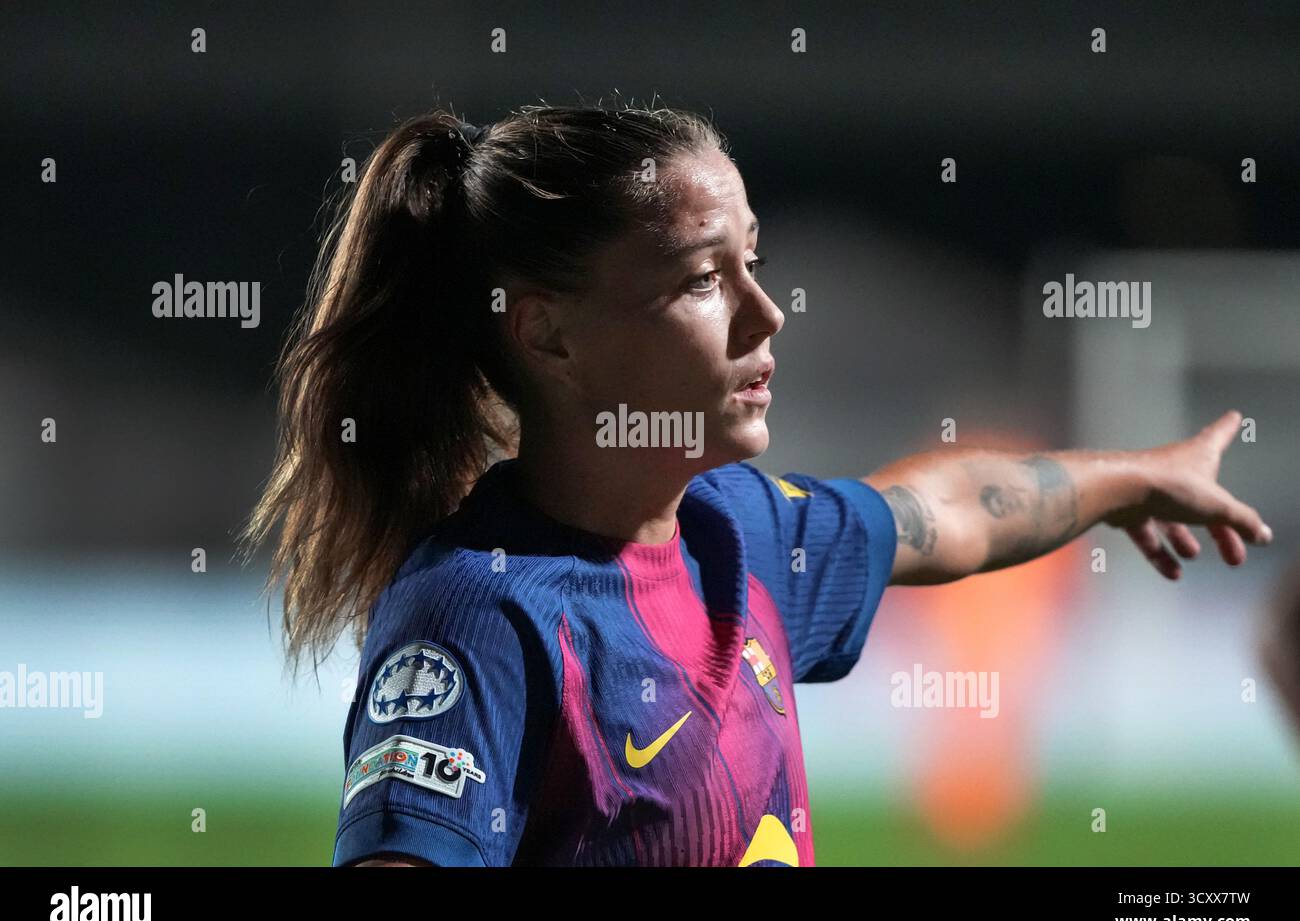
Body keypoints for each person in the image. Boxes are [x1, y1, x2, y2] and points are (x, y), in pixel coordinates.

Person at [240, 104, 1272, 866]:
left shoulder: (736, 530)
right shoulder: (475, 610)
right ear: (548, 331)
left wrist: (1137, 475)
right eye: (700, 278)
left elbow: (949, 508)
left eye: (753, 262)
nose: (765, 312)